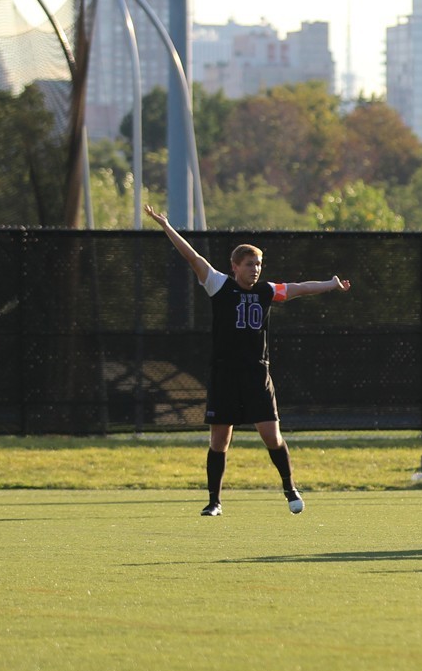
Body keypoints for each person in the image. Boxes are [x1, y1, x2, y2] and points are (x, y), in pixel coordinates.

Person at [145, 203, 351, 516]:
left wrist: (331, 284)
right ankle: (214, 501)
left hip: (256, 375)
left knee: (272, 436)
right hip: (225, 375)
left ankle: (289, 488)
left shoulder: (266, 291)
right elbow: (192, 257)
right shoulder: (219, 285)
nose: (255, 269)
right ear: (235, 266)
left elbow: (298, 289)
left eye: (258, 264)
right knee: (219, 441)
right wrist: (166, 226)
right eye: (249, 264)